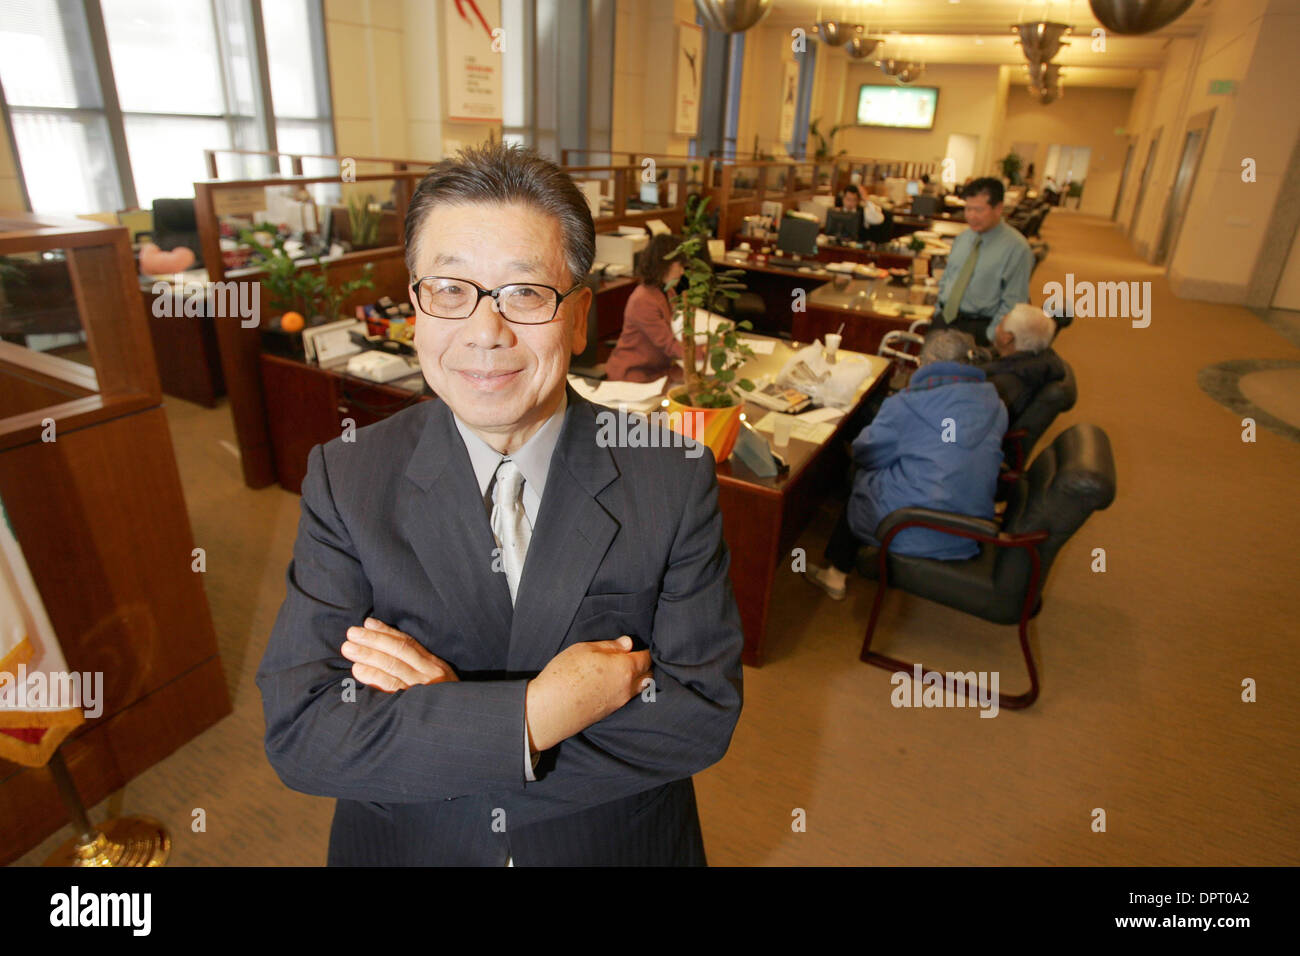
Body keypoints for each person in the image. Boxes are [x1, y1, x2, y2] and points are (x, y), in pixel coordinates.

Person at [256, 143, 744, 866]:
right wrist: (530, 718)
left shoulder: (671, 477)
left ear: (579, 317)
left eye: (525, 292)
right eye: (450, 289)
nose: (486, 332)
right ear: (415, 306)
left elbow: (697, 717)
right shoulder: (347, 477)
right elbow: (304, 732)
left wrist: (443, 728)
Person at [803, 329, 1008, 599]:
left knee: (864, 474)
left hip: (913, 527)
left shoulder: (907, 405)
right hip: (970, 525)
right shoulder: (995, 403)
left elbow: (867, 453)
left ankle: (836, 574)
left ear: (922, 364)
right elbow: (952, 443)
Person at [931, 176, 1034, 348]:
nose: (971, 216)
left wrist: (991, 335)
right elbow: (948, 278)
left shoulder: (1017, 248)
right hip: (945, 320)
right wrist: (938, 312)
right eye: (968, 209)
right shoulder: (963, 238)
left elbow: (1014, 301)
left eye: (979, 210)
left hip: (979, 328)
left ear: (998, 208)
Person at [604, 233, 686, 383]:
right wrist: (705, 352)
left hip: (658, 369)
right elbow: (668, 345)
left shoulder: (668, 291)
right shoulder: (643, 300)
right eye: (679, 265)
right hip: (633, 375)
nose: (682, 271)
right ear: (665, 264)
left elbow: (678, 330)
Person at [974, 302, 1066, 421]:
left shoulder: (1004, 383)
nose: (997, 327)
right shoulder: (1029, 360)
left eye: (1001, 325)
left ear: (1007, 338)